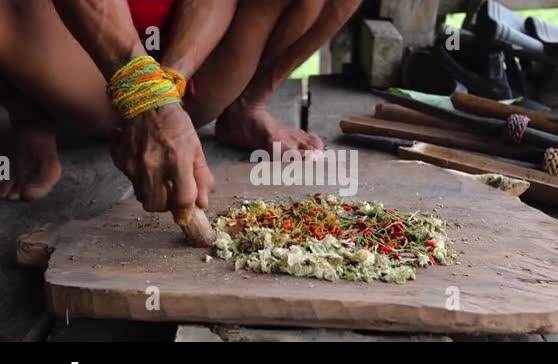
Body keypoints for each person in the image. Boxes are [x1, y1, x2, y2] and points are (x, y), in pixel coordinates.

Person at [0, 0, 361, 215]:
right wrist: (145, 93)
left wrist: (169, 83)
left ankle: (246, 104)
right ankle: (33, 117)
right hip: (68, 68)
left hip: (193, 75)